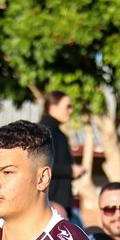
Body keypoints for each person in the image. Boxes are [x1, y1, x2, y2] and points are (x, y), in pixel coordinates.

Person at [38, 92, 84, 225]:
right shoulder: (44, 132)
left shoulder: (57, 132)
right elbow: (39, 166)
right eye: (67, 106)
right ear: (52, 107)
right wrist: (70, 170)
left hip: (59, 203)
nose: (71, 110)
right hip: (51, 203)